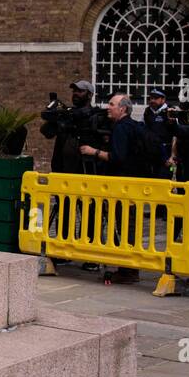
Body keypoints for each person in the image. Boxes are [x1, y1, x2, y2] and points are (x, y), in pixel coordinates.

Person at [81, 92, 155, 284]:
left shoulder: (122, 128)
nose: (108, 107)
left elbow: (118, 157)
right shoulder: (133, 126)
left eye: (112, 104)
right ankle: (128, 268)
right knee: (128, 226)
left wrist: (94, 151)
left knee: (126, 227)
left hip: (123, 185)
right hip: (133, 184)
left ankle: (128, 270)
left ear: (122, 109)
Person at [142, 88, 173, 178]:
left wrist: (172, 156)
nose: (152, 100)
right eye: (151, 98)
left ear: (163, 99)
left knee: (165, 178)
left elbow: (176, 135)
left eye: (155, 98)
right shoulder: (147, 112)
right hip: (150, 152)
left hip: (166, 153)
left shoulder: (170, 111)